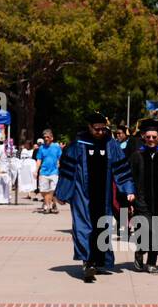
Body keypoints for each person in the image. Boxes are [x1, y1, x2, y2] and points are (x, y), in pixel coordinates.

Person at [56, 112, 135, 284]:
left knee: (102, 226)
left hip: (103, 193)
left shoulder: (111, 144)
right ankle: (87, 263)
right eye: (96, 129)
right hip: (82, 194)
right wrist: (62, 193)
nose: (100, 132)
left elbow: (121, 167)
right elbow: (67, 170)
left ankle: (98, 261)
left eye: (102, 129)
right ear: (89, 127)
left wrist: (128, 189)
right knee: (83, 227)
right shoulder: (78, 144)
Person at [128, 119, 158, 273]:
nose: (151, 140)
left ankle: (151, 263)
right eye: (148, 137)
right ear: (144, 137)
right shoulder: (137, 155)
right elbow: (130, 177)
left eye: (154, 137)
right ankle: (140, 251)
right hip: (142, 200)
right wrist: (130, 196)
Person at [34, 129, 63, 214]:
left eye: (48, 137)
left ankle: (49, 205)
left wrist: (59, 164)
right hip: (43, 172)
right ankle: (49, 204)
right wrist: (36, 170)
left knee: (53, 189)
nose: (46, 138)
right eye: (45, 137)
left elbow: (60, 157)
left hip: (54, 171)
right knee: (43, 190)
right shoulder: (41, 148)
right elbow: (39, 159)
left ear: (52, 138)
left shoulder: (56, 146)